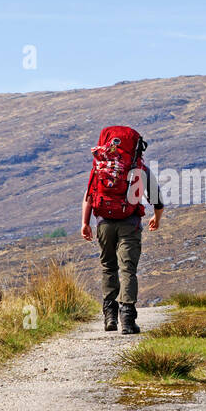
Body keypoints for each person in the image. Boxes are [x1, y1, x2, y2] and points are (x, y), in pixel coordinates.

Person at [81, 125, 164, 334]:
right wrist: (157, 217)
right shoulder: (138, 166)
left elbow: (89, 196)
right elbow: (156, 198)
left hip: (103, 223)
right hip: (130, 222)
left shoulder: (100, 165)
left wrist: (85, 223)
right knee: (128, 269)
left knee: (108, 267)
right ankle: (127, 319)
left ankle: (110, 316)